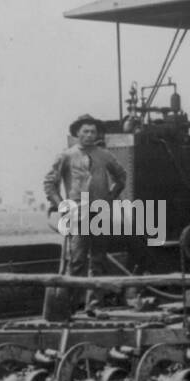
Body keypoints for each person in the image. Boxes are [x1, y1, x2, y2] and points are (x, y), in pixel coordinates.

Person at [42, 114, 127, 313]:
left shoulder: (105, 155)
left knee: (98, 261)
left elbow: (121, 177)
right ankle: (71, 306)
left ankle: (94, 306)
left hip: (99, 215)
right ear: (77, 134)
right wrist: (61, 205)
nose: (89, 135)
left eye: (93, 131)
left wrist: (110, 197)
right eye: (85, 131)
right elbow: (49, 183)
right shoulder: (66, 156)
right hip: (76, 215)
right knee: (77, 261)